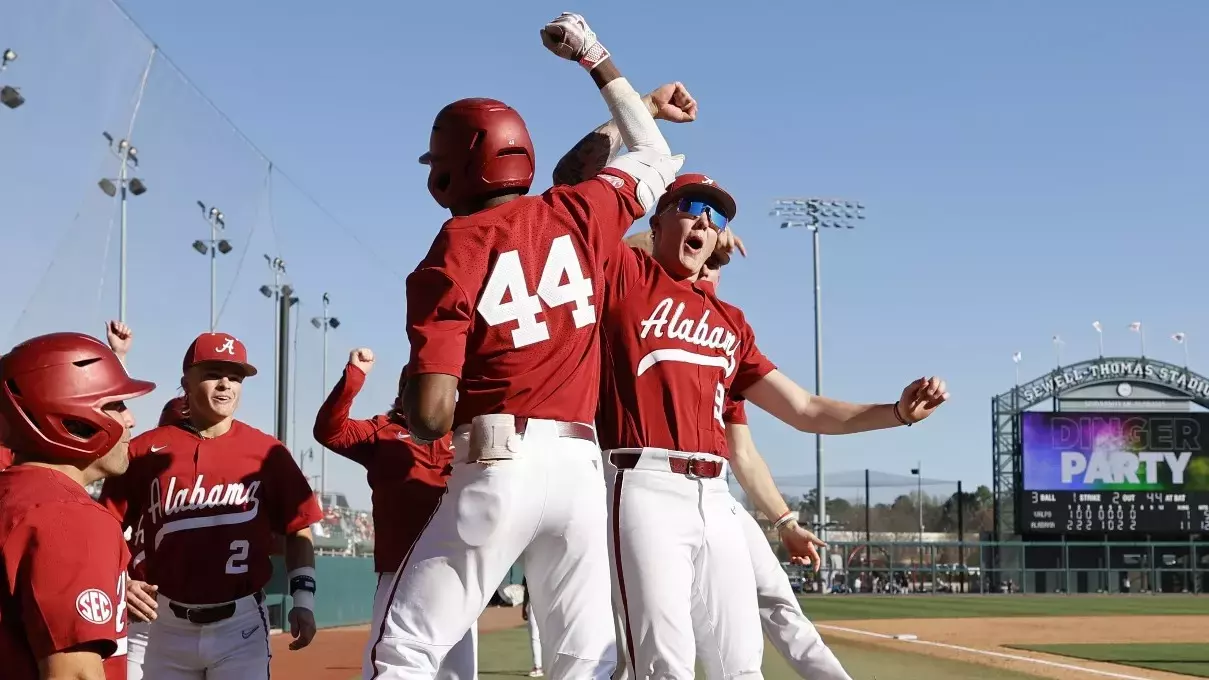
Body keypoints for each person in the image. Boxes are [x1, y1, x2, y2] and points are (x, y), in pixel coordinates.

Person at [365, 12, 685, 680]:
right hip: (577, 470)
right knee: (581, 663)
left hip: (497, 465)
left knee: (403, 651)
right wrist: (595, 58)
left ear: (448, 171)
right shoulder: (578, 211)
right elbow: (651, 153)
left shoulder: (452, 249)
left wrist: (420, 388)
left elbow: (427, 413)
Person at [99, 331, 323, 679]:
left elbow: (299, 527)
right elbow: (104, 525)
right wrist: (120, 581)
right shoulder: (145, 450)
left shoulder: (267, 452)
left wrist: (303, 601)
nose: (225, 385)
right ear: (186, 380)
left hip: (241, 625)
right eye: (213, 374)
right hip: (164, 625)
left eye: (234, 377)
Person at [0, 331, 156, 679]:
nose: (130, 419)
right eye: (116, 405)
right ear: (72, 417)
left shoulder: (15, 493)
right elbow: (75, 674)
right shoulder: (72, 517)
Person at [312, 348, 473, 680]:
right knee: (390, 668)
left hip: (457, 571)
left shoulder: (465, 435)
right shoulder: (381, 432)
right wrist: (355, 376)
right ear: (404, 393)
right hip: (401, 571)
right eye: (421, 387)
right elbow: (329, 431)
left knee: (459, 675)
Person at [520, 578, 542, 678]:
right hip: (538, 602)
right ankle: (539, 666)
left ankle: (538, 667)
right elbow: (526, 589)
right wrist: (524, 606)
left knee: (535, 636)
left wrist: (524, 606)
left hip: (539, 602)